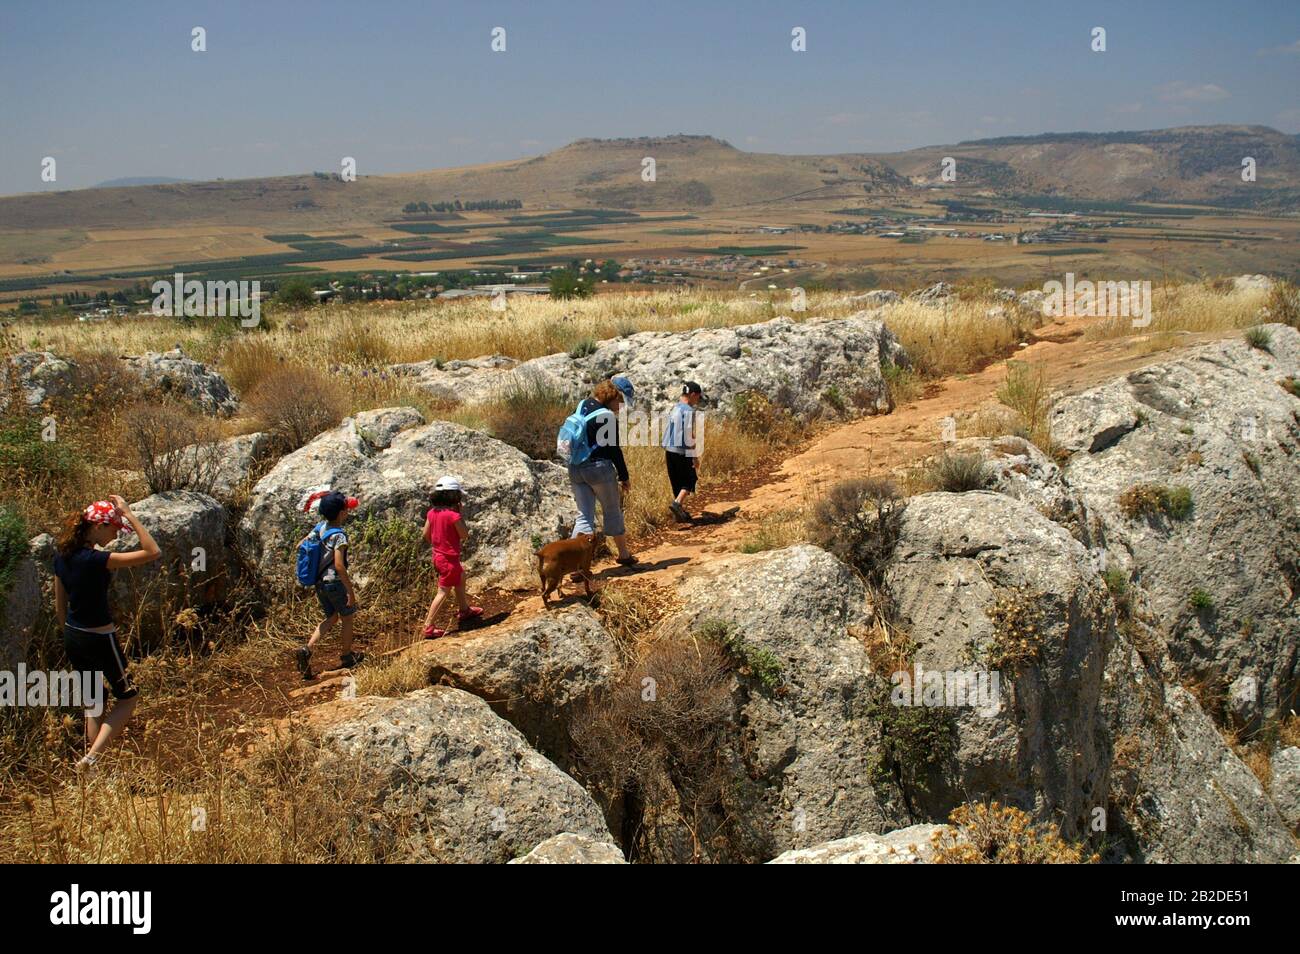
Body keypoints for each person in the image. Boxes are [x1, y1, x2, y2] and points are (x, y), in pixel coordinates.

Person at [53, 495, 161, 775]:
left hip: (73, 635)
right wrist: (130, 516)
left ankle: (94, 770)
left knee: (94, 701)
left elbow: (59, 604)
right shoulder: (95, 560)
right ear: (98, 526)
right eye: (113, 528)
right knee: (129, 696)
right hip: (100, 636)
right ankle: (92, 760)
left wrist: (71, 633)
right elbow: (152, 552)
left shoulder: (61, 556)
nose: (115, 535)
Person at [569, 375, 638, 566]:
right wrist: (624, 476)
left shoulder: (582, 404)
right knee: (612, 510)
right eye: (621, 401)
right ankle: (624, 555)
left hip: (575, 468)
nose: (621, 406)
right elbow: (614, 451)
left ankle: (576, 566)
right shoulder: (606, 417)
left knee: (584, 516)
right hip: (599, 469)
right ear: (614, 395)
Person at [295, 491, 363, 680]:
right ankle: (347, 656)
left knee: (332, 617)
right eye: (346, 510)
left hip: (319, 583)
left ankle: (307, 649)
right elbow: (340, 565)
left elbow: (301, 545)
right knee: (347, 617)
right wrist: (350, 591)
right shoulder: (339, 536)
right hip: (334, 582)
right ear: (342, 514)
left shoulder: (320, 527)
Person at [419, 475, 483, 638]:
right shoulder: (453, 515)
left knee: (460, 577)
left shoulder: (432, 512)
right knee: (443, 592)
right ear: (454, 497)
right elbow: (464, 535)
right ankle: (428, 626)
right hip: (449, 559)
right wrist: (459, 515)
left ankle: (464, 610)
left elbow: (426, 534)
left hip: (438, 556)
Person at [663, 381, 704, 522]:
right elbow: (688, 434)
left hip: (669, 449)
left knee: (676, 482)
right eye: (698, 397)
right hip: (681, 450)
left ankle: (679, 515)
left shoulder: (675, 408)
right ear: (692, 395)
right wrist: (694, 456)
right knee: (690, 479)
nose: (697, 401)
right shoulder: (688, 411)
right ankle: (677, 503)